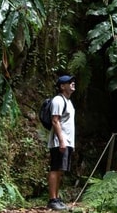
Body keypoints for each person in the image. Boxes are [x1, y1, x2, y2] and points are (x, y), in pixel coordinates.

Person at [47, 74, 76, 210]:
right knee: (55, 168)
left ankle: (56, 198)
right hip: (59, 141)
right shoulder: (58, 100)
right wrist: (62, 141)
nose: (73, 83)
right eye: (69, 82)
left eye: (73, 81)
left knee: (60, 170)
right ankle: (52, 200)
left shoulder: (68, 101)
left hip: (67, 141)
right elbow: (55, 121)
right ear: (62, 86)